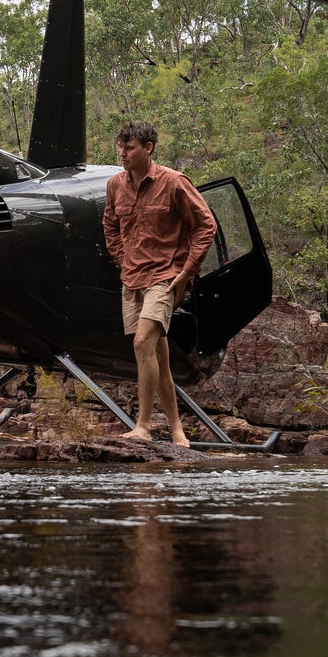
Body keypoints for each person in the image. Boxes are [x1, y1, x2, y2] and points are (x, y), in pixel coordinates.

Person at [102, 120, 217, 446]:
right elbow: (109, 224)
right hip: (132, 279)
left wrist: (186, 271)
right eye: (120, 147)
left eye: (129, 148)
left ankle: (143, 426)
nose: (122, 153)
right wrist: (121, 259)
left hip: (165, 279)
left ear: (148, 148)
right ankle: (177, 430)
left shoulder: (174, 182)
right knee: (158, 356)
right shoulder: (115, 185)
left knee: (141, 344)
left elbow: (205, 225)